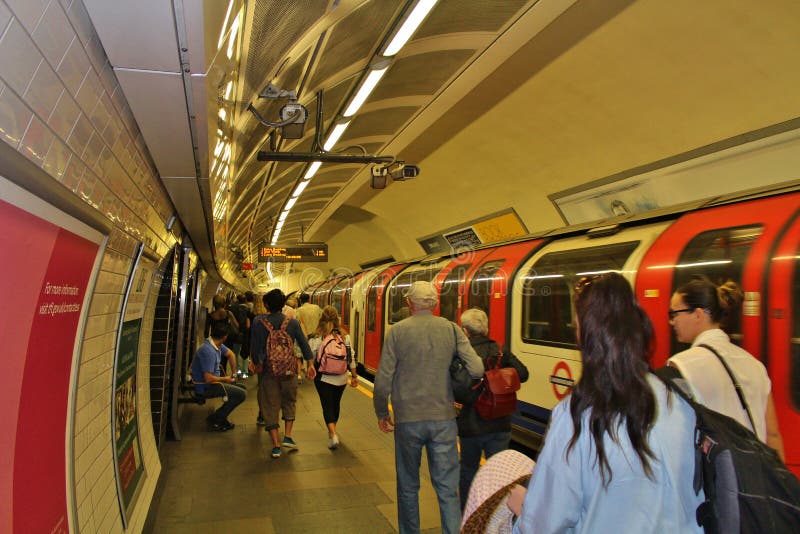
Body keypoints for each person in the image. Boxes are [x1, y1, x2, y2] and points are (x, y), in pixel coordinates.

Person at [508, 273, 702, 533]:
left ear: (587, 336)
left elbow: (546, 522)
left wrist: (524, 512)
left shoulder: (577, 415)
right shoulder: (678, 399)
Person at [373, 281, 483, 534]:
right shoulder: (452, 329)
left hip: (407, 420)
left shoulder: (397, 332)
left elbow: (382, 382)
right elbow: (477, 369)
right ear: (435, 303)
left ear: (409, 303)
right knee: (447, 489)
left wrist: (382, 413)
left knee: (408, 485)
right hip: (443, 419)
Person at [666, 277, 785, 461]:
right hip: (754, 473)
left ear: (698, 315)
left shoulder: (680, 365)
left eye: (674, 314)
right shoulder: (755, 365)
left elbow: (675, 436)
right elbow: (772, 435)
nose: (672, 322)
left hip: (718, 475)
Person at [457, 308, 529, 510]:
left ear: (465, 331)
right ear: (485, 328)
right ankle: (495, 515)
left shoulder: (464, 353)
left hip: (472, 424)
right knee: (497, 473)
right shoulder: (500, 350)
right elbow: (523, 374)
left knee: (468, 470)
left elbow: (459, 390)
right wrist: (499, 378)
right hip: (500, 422)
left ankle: (468, 514)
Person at [250, 289, 316, 459]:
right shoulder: (292, 323)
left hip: (268, 371)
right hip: (289, 370)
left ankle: (276, 445)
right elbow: (304, 344)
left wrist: (256, 363)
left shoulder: (258, 322)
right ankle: (288, 436)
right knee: (289, 401)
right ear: (283, 305)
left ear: (266, 305)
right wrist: (310, 364)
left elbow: (255, 347)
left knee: (270, 405)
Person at [308, 305, 359, 450]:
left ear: (321, 319)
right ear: (337, 319)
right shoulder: (345, 336)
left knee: (327, 405)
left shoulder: (317, 337)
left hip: (323, 378)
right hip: (341, 378)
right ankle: (332, 433)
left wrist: (310, 367)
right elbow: (350, 357)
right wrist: (354, 376)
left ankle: (333, 434)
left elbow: (312, 356)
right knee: (335, 405)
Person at [190, 322, 246, 432]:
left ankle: (219, 416)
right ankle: (216, 418)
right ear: (225, 336)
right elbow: (208, 379)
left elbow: (231, 354)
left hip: (214, 382)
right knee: (241, 394)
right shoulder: (208, 351)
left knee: (241, 388)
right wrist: (226, 379)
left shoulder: (215, 344)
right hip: (205, 387)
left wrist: (234, 375)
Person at [205, 294, 240, 375]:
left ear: (214, 304)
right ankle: (223, 375)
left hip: (215, 340)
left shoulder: (210, 315)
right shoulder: (228, 313)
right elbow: (237, 325)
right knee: (225, 360)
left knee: (216, 360)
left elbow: (206, 332)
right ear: (224, 303)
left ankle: (217, 375)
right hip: (226, 339)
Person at [296, 293, 322, 381]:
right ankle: (313, 370)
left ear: (300, 300)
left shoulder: (299, 310)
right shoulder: (317, 308)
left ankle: (307, 372)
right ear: (309, 299)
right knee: (315, 354)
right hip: (317, 334)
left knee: (305, 353)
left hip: (305, 335)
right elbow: (322, 318)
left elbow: (298, 322)